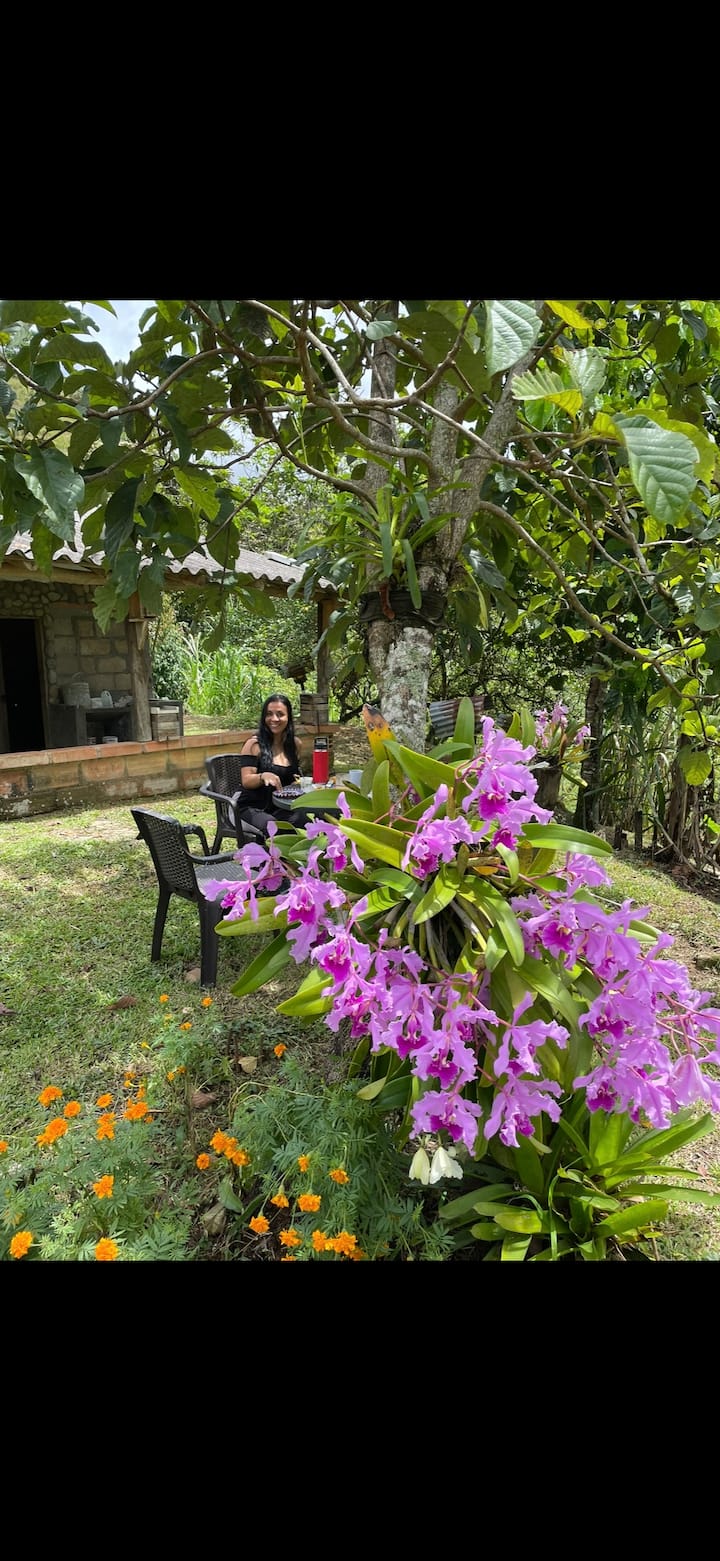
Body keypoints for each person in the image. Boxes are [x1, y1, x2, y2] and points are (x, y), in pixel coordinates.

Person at [231, 693, 318, 839]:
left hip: (279, 807)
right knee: (272, 827)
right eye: (269, 714)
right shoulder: (254, 744)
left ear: (288, 718)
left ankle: (302, 861)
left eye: (280, 714)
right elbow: (246, 780)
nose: (274, 719)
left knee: (306, 822)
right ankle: (270, 861)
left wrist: (304, 784)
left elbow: (292, 780)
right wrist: (262, 776)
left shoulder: (295, 745)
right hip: (249, 807)